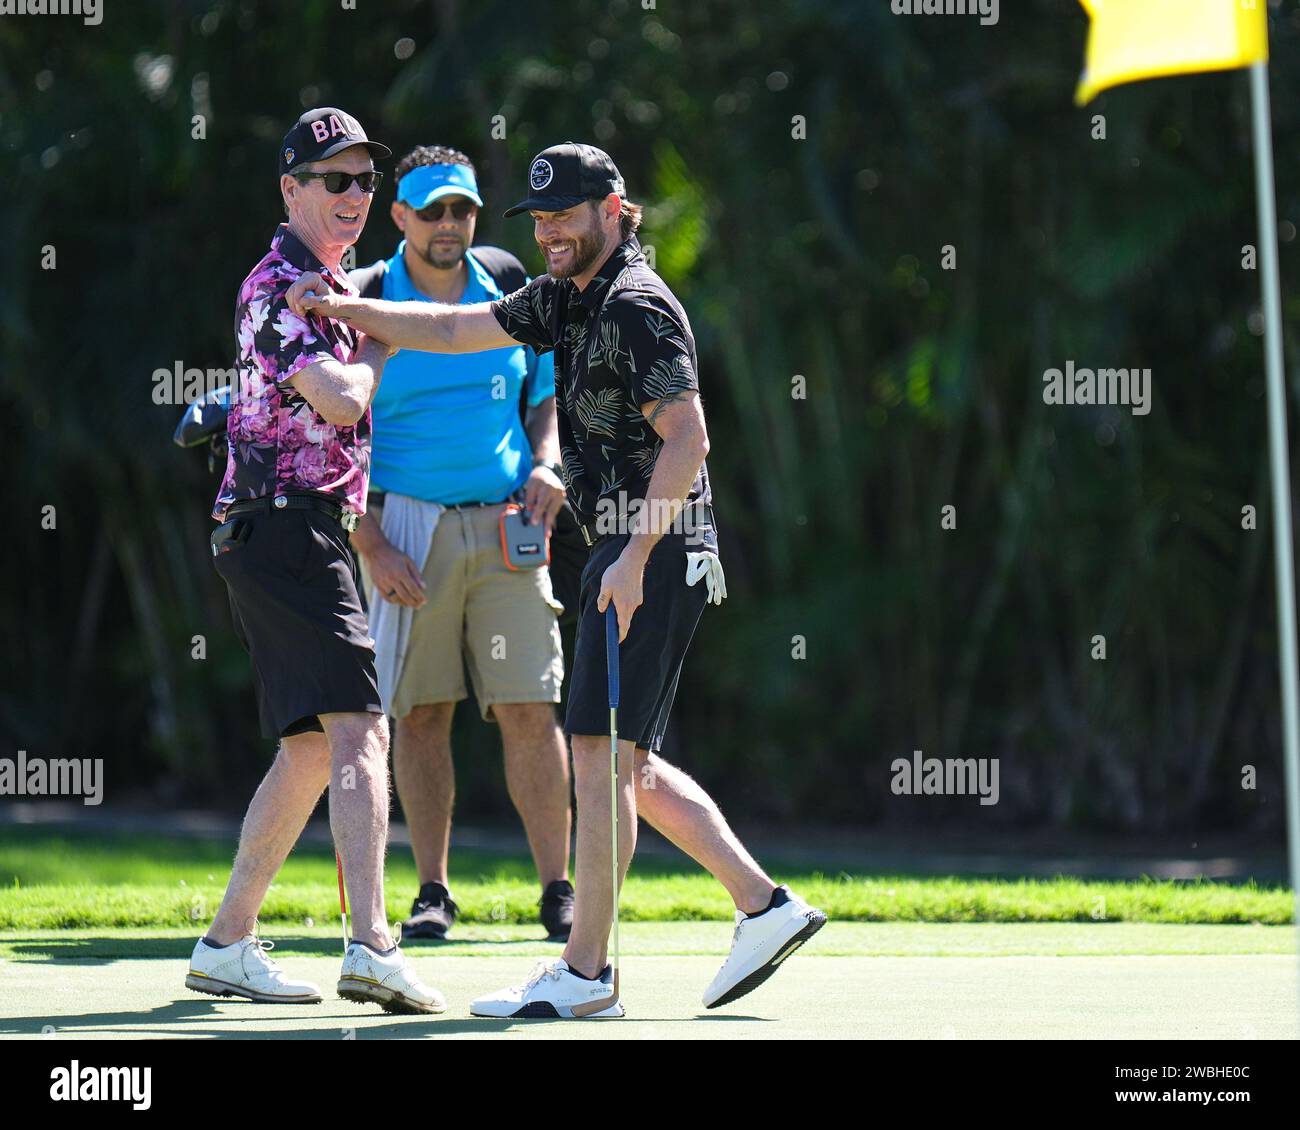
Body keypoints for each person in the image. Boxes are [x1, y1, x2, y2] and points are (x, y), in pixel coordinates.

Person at [287, 142, 826, 1018]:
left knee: (598, 754)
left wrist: (637, 559)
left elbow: (689, 442)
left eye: (565, 217)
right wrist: (352, 306)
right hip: (628, 556)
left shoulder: (637, 305)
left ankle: (585, 975)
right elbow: (458, 329)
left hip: (651, 554)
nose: (549, 235)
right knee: (626, 764)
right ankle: (764, 906)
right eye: (538, 221)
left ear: (614, 210)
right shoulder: (566, 299)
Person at [187, 107, 443, 1015]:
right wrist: (375, 338)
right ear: (291, 189)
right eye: (333, 180)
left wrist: (361, 315)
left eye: (365, 181)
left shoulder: (326, 285)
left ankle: (225, 945)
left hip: (284, 532)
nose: (353, 196)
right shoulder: (281, 285)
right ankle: (373, 944)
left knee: (307, 750)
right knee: (361, 732)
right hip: (287, 530)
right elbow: (338, 402)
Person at [347, 145, 575, 941]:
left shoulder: (509, 283)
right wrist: (370, 541)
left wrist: (548, 463)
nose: (451, 224)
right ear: (400, 216)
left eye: (463, 209)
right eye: (433, 210)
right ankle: (433, 891)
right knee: (419, 716)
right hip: (404, 528)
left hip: (508, 525)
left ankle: (559, 892)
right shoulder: (365, 297)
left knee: (530, 708)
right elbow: (327, 436)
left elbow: (541, 396)